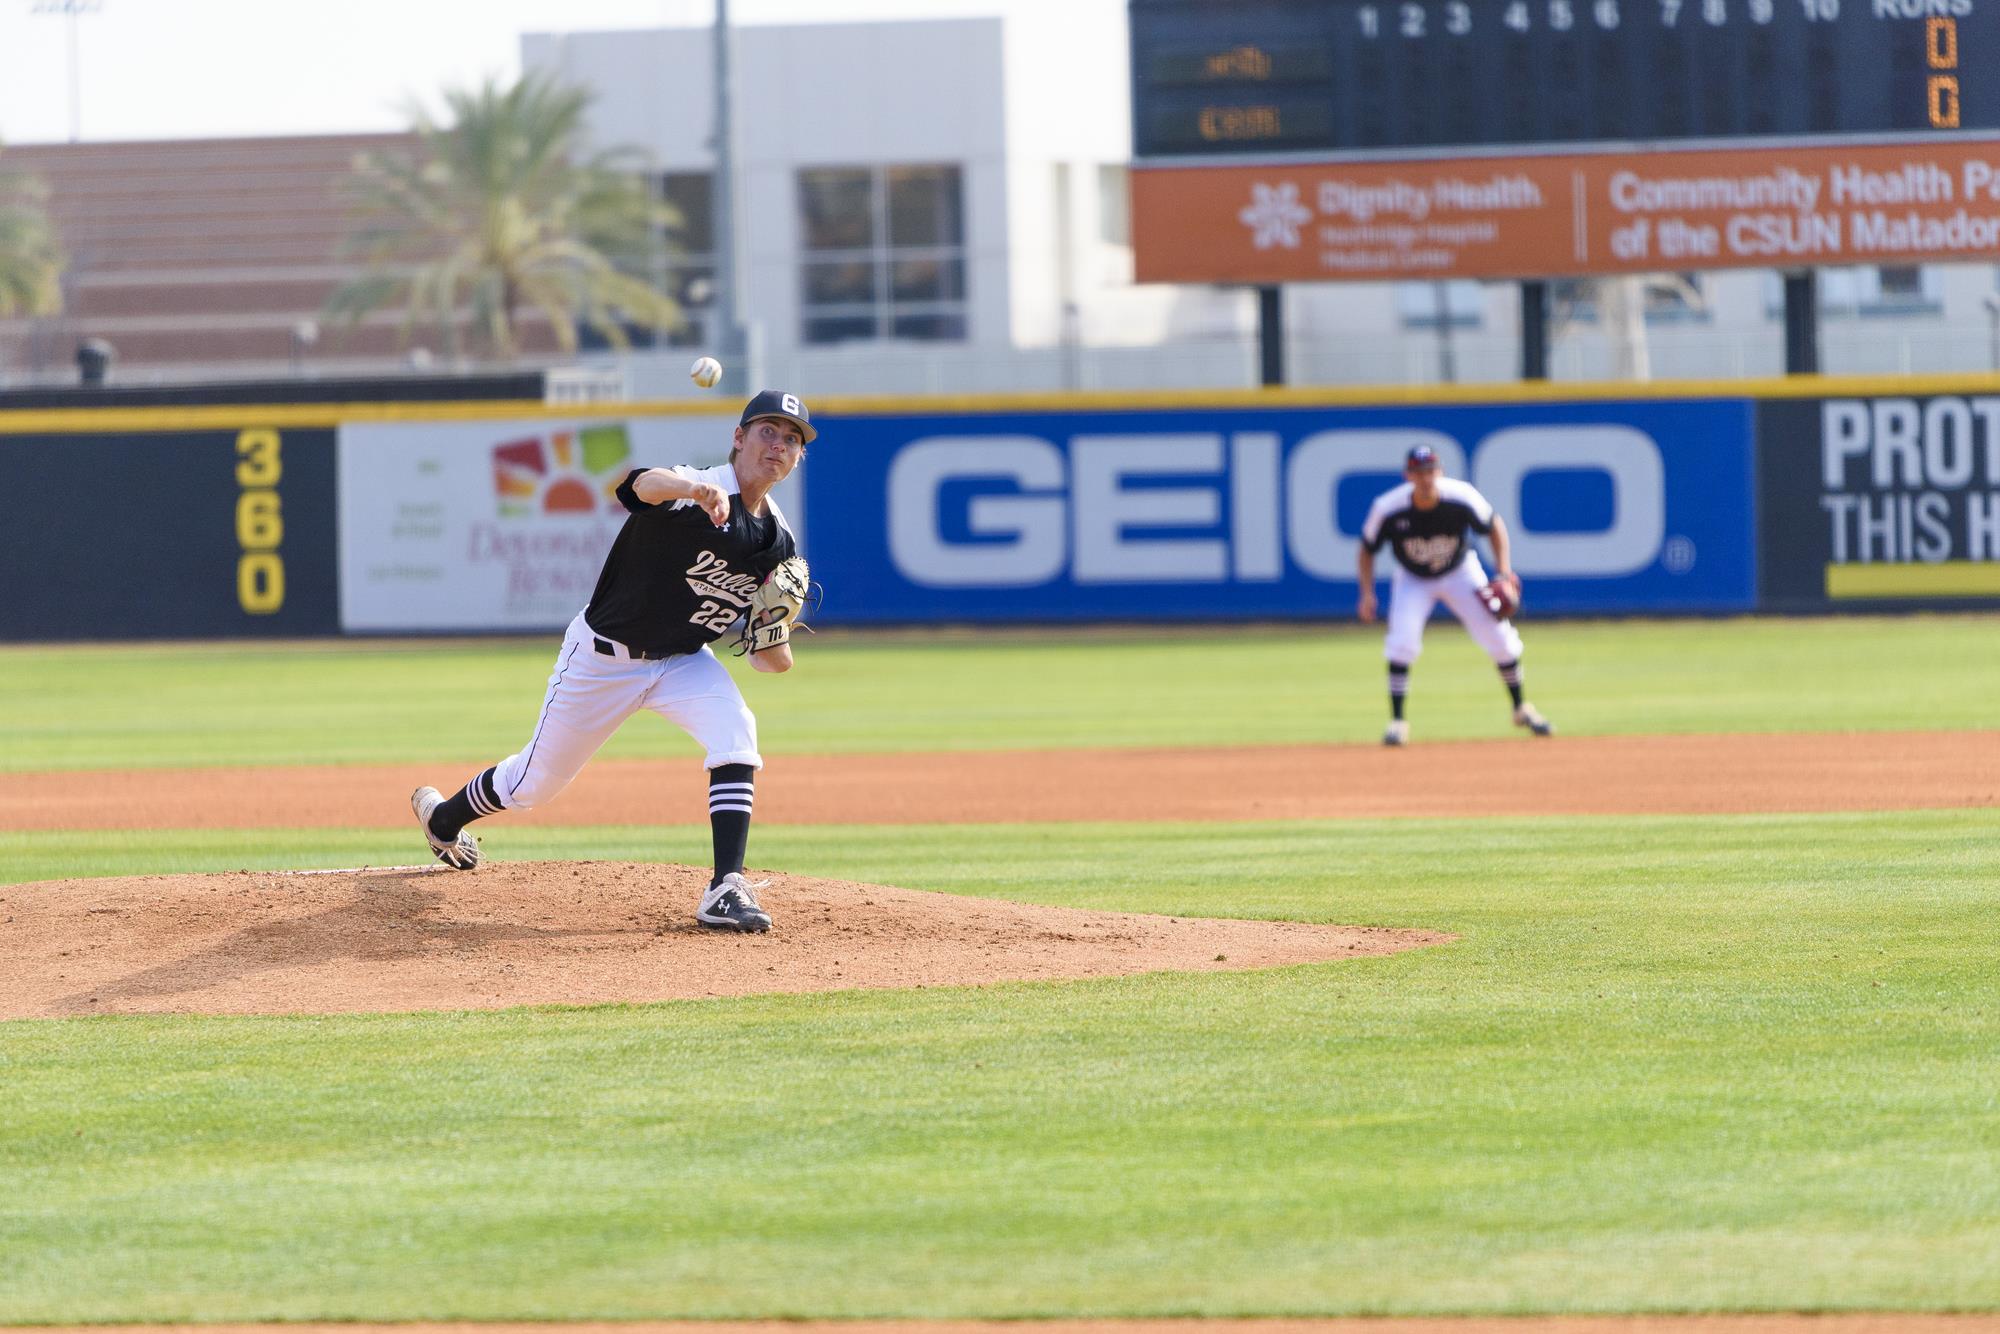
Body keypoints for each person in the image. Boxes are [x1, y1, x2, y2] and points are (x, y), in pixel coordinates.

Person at [409, 389, 816, 933]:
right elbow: (636, 485)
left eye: (792, 439)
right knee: (535, 784)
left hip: (681, 661)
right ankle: (443, 818)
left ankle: (725, 887)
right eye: (768, 431)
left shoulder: (778, 541)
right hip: (603, 659)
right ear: (738, 438)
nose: (780, 445)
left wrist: (775, 632)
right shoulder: (695, 488)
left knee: (737, 731)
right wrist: (692, 487)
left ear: (797, 458)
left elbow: (770, 662)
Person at [1356, 444, 1553, 747]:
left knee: (1499, 637)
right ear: (1408, 475)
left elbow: (1494, 527)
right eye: (1419, 472)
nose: (1426, 478)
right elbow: (1367, 549)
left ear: (1440, 472)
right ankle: (1397, 722)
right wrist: (1366, 593)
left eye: (1431, 470)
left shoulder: (1461, 497)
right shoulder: (1388, 508)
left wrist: (1502, 573)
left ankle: (1521, 708)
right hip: (1413, 578)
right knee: (1402, 642)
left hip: (1460, 571)